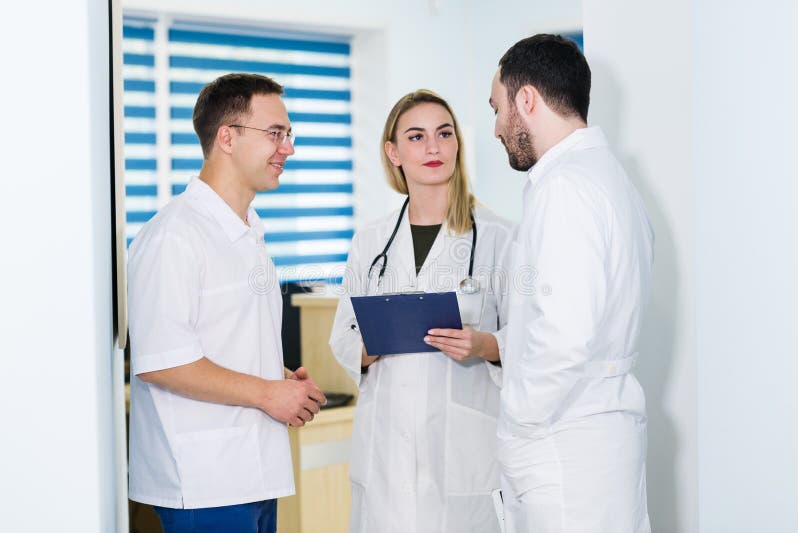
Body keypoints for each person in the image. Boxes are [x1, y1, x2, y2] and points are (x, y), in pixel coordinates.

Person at [127, 73, 327, 533]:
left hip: (252, 475)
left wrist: (279, 380)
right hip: (204, 482)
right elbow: (162, 362)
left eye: (288, 134)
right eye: (276, 133)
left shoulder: (248, 232)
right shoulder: (174, 236)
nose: (288, 148)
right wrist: (267, 393)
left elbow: (216, 341)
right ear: (227, 137)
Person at [329, 89, 515, 533]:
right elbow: (342, 337)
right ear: (393, 152)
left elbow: (529, 339)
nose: (433, 147)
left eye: (443, 133)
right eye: (416, 137)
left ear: (457, 145)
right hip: (386, 457)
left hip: (464, 454)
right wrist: (369, 345)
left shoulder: (500, 238)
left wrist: (487, 344)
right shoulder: (370, 242)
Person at [489, 34, 654, 533]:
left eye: (497, 108)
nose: (496, 128)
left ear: (526, 100)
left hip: (565, 447)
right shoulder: (608, 179)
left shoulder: (564, 188)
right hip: (597, 439)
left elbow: (563, 335)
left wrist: (517, 420)